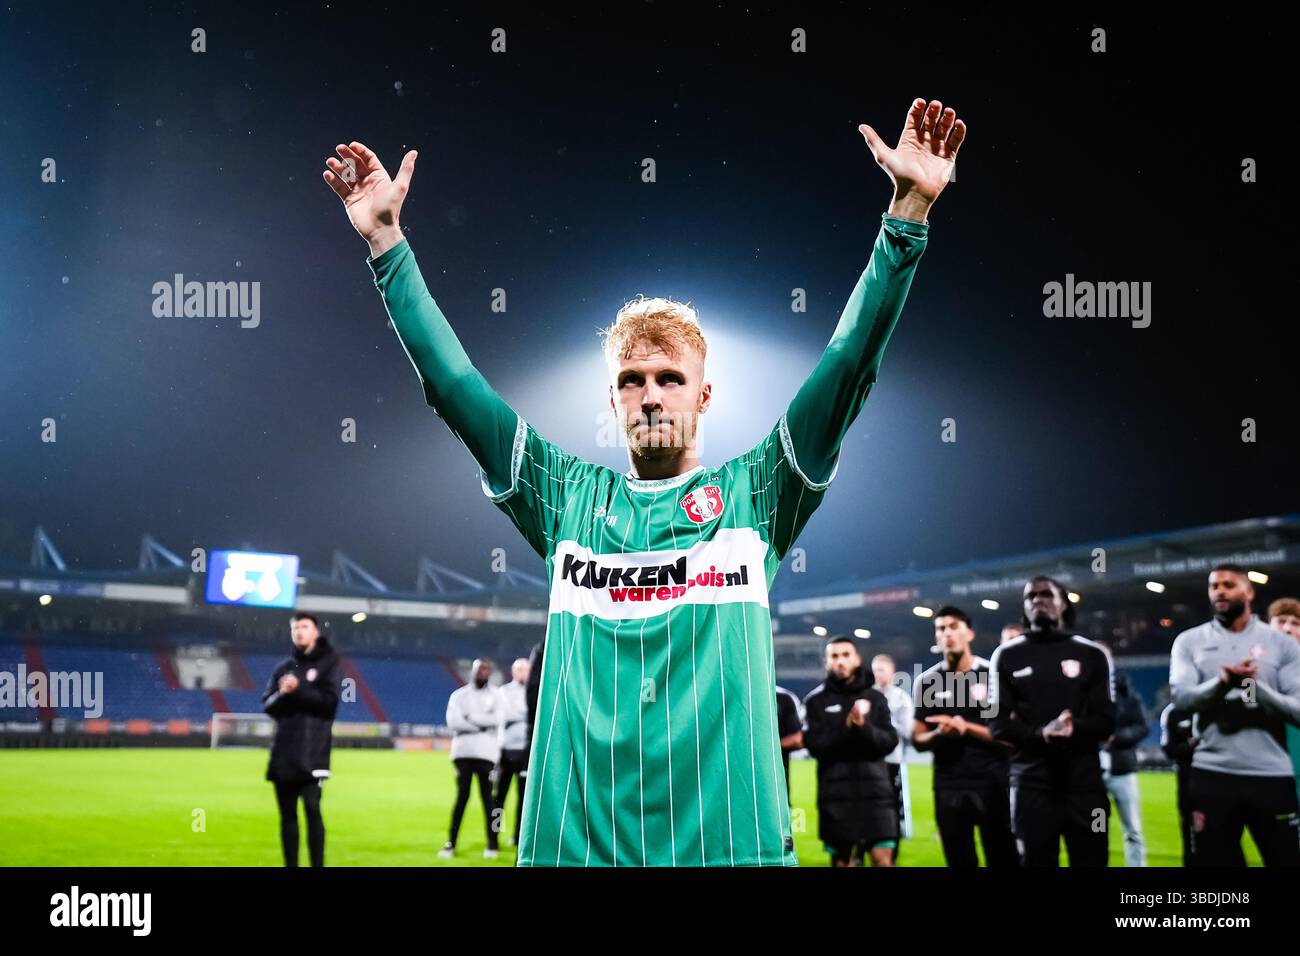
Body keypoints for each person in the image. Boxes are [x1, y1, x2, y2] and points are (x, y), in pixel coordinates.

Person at [321, 97, 964, 866]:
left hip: (732, 850)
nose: (651, 392)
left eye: (669, 376)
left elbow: (848, 364)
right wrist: (388, 244)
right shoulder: (564, 498)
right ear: (613, 399)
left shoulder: (758, 493)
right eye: (632, 379)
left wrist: (908, 217)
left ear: (703, 394)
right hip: (577, 851)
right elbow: (453, 387)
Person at [1169, 566, 1300, 866]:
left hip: (1271, 775)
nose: (1221, 591)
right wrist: (1222, 683)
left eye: (1229, 585)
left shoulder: (1283, 644)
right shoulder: (1188, 641)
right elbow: (1182, 700)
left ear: (1249, 592)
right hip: (1211, 774)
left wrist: (1257, 689)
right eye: (1214, 586)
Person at [987, 576, 1115, 866]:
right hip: (1032, 786)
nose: (1037, 600)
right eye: (1030, 596)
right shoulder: (1006, 656)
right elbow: (996, 725)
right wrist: (1041, 733)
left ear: (1063, 603)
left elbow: (1107, 721)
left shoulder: (1092, 655)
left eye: (1046, 594)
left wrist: (1075, 728)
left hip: (1085, 788)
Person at [913, 605, 1017, 867]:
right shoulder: (926, 682)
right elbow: (918, 739)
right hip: (948, 786)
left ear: (969, 633)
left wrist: (966, 727)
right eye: (940, 629)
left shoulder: (992, 676)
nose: (947, 633)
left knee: (1003, 857)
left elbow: (1010, 737)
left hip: (993, 783)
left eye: (953, 627)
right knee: (959, 860)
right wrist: (939, 733)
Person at [803, 637, 899, 867]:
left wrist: (863, 728)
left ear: (856, 659)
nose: (841, 661)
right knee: (841, 862)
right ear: (826, 662)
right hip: (835, 796)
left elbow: (889, 741)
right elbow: (815, 745)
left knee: (883, 861)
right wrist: (847, 729)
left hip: (876, 794)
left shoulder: (875, 698)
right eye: (834, 656)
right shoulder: (816, 701)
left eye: (846, 655)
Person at [262, 611, 342, 868]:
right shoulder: (283, 668)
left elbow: (328, 704)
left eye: (304, 626)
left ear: (315, 631)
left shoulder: (328, 664)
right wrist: (284, 694)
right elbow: (268, 706)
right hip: (284, 754)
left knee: (312, 809)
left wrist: (298, 690)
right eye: (295, 627)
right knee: (287, 817)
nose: (299, 631)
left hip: (313, 754)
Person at [440, 658, 502, 860]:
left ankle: (493, 843)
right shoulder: (459, 695)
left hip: (487, 755)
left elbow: (498, 720)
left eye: (486, 670)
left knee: (490, 802)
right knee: (461, 799)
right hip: (462, 754)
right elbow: (454, 722)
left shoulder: (497, 696)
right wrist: (482, 724)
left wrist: (471, 718)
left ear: (490, 673)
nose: (482, 673)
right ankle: (451, 842)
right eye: (479, 669)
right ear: (472, 672)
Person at [1102, 660, 1148, 866]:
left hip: (1123, 770)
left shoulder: (1128, 695)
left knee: (1133, 829)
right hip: (1093, 773)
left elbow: (1142, 727)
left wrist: (1118, 737)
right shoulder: (1079, 691)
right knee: (1096, 828)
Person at [872, 653, 914, 856]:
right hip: (869, 762)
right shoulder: (866, 696)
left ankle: (892, 852)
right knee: (867, 807)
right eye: (875, 670)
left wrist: (883, 723)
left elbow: (907, 730)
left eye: (881, 669)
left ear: (892, 672)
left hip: (891, 761)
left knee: (892, 808)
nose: (877, 674)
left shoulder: (901, 698)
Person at [494, 657, 531, 848]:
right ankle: (494, 836)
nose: (523, 673)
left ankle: (518, 836)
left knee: (524, 798)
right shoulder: (503, 692)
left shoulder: (534, 691)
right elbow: (505, 714)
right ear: (513, 671)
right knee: (499, 797)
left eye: (526, 669)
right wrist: (526, 713)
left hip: (526, 752)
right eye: (519, 669)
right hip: (505, 751)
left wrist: (521, 713)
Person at [1267, 597, 1300, 803]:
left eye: (1295, 623)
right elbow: (1245, 704)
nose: (1287, 628)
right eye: (1281, 621)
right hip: (1266, 772)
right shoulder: (1249, 668)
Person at [776, 685, 805, 802]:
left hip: (776, 780)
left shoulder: (783, 698)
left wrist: (765, 748)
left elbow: (798, 739)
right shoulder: (730, 694)